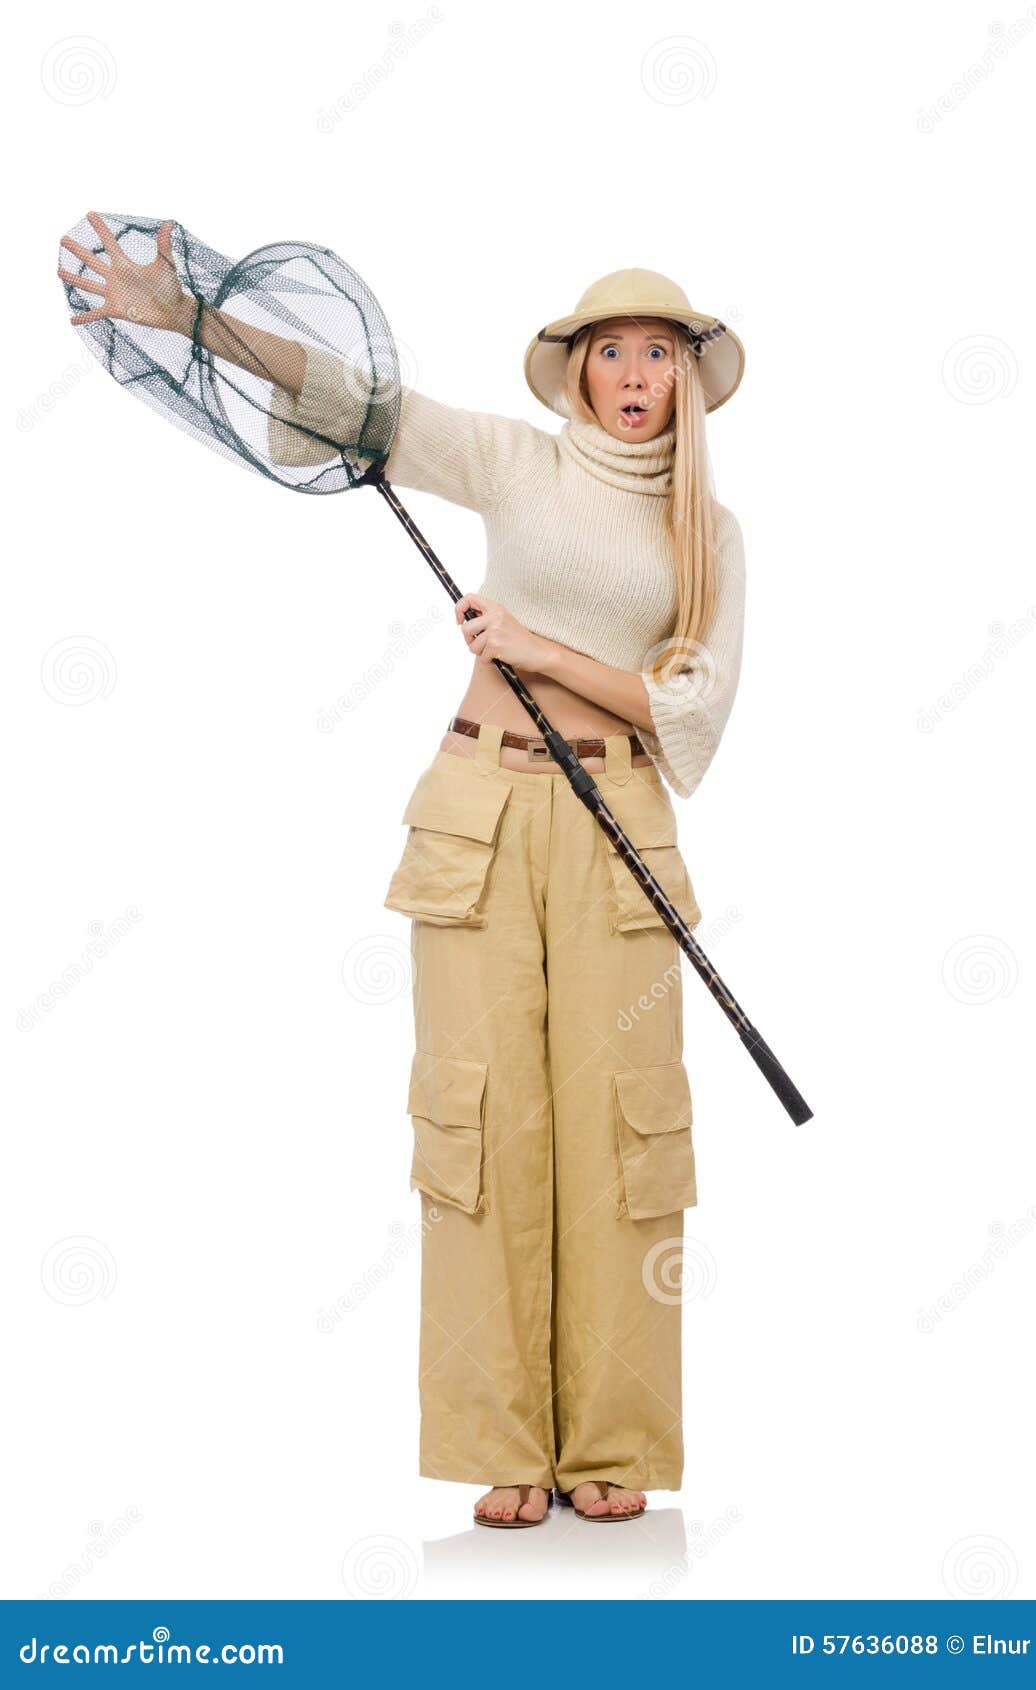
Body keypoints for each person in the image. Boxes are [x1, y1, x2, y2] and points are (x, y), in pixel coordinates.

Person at [59, 220, 747, 1527]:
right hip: (477, 814)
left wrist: (539, 645)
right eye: (613, 349)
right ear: (578, 370)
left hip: (622, 836)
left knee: (622, 1128)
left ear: (691, 375)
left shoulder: (711, 535)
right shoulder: (508, 460)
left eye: (660, 349)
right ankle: (504, 1441)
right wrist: (192, 314)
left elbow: (690, 707)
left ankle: (612, 1436)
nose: (637, 370)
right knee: (479, 1124)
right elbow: (356, 406)